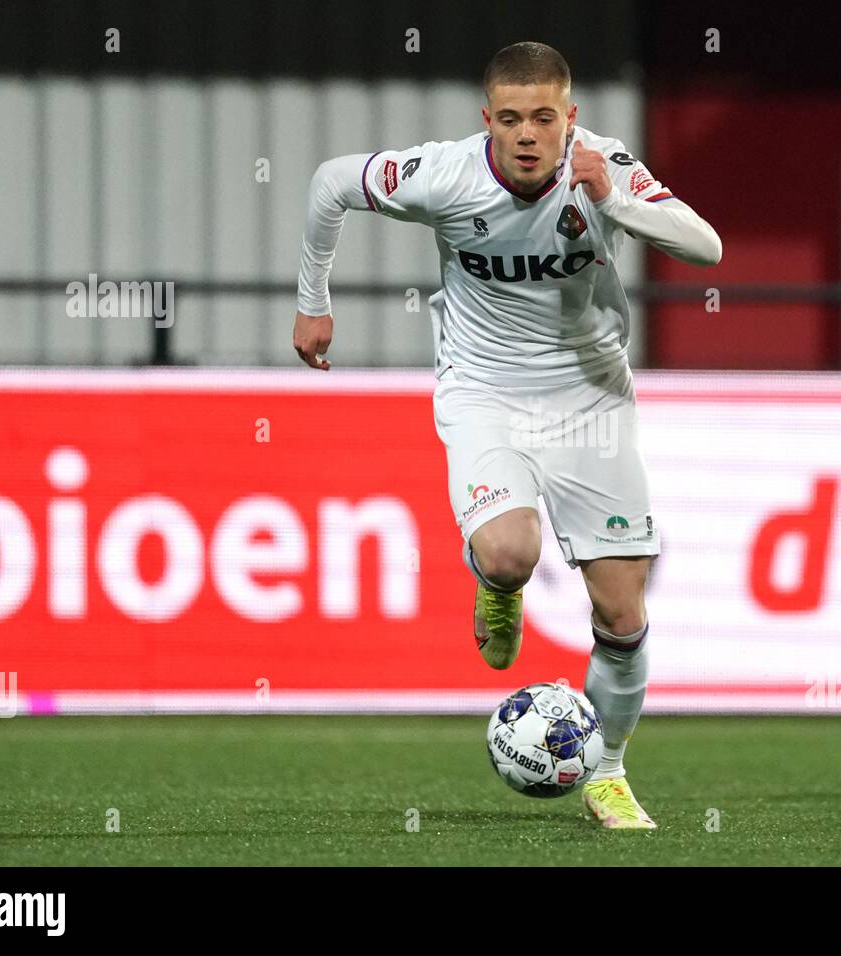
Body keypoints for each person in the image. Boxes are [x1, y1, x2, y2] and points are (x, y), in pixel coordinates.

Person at [295, 41, 721, 829]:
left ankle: (609, 772)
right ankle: (498, 591)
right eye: (512, 119)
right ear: (487, 120)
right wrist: (312, 299)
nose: (529, 135)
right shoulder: (444, 175)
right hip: (484, 391)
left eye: (546, 118)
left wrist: (617, 202)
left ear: (571, 119)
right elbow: (330, 184)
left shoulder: (604, 166)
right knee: (509, 552)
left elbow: (706, 247)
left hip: (591, 402)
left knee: (622, 615)